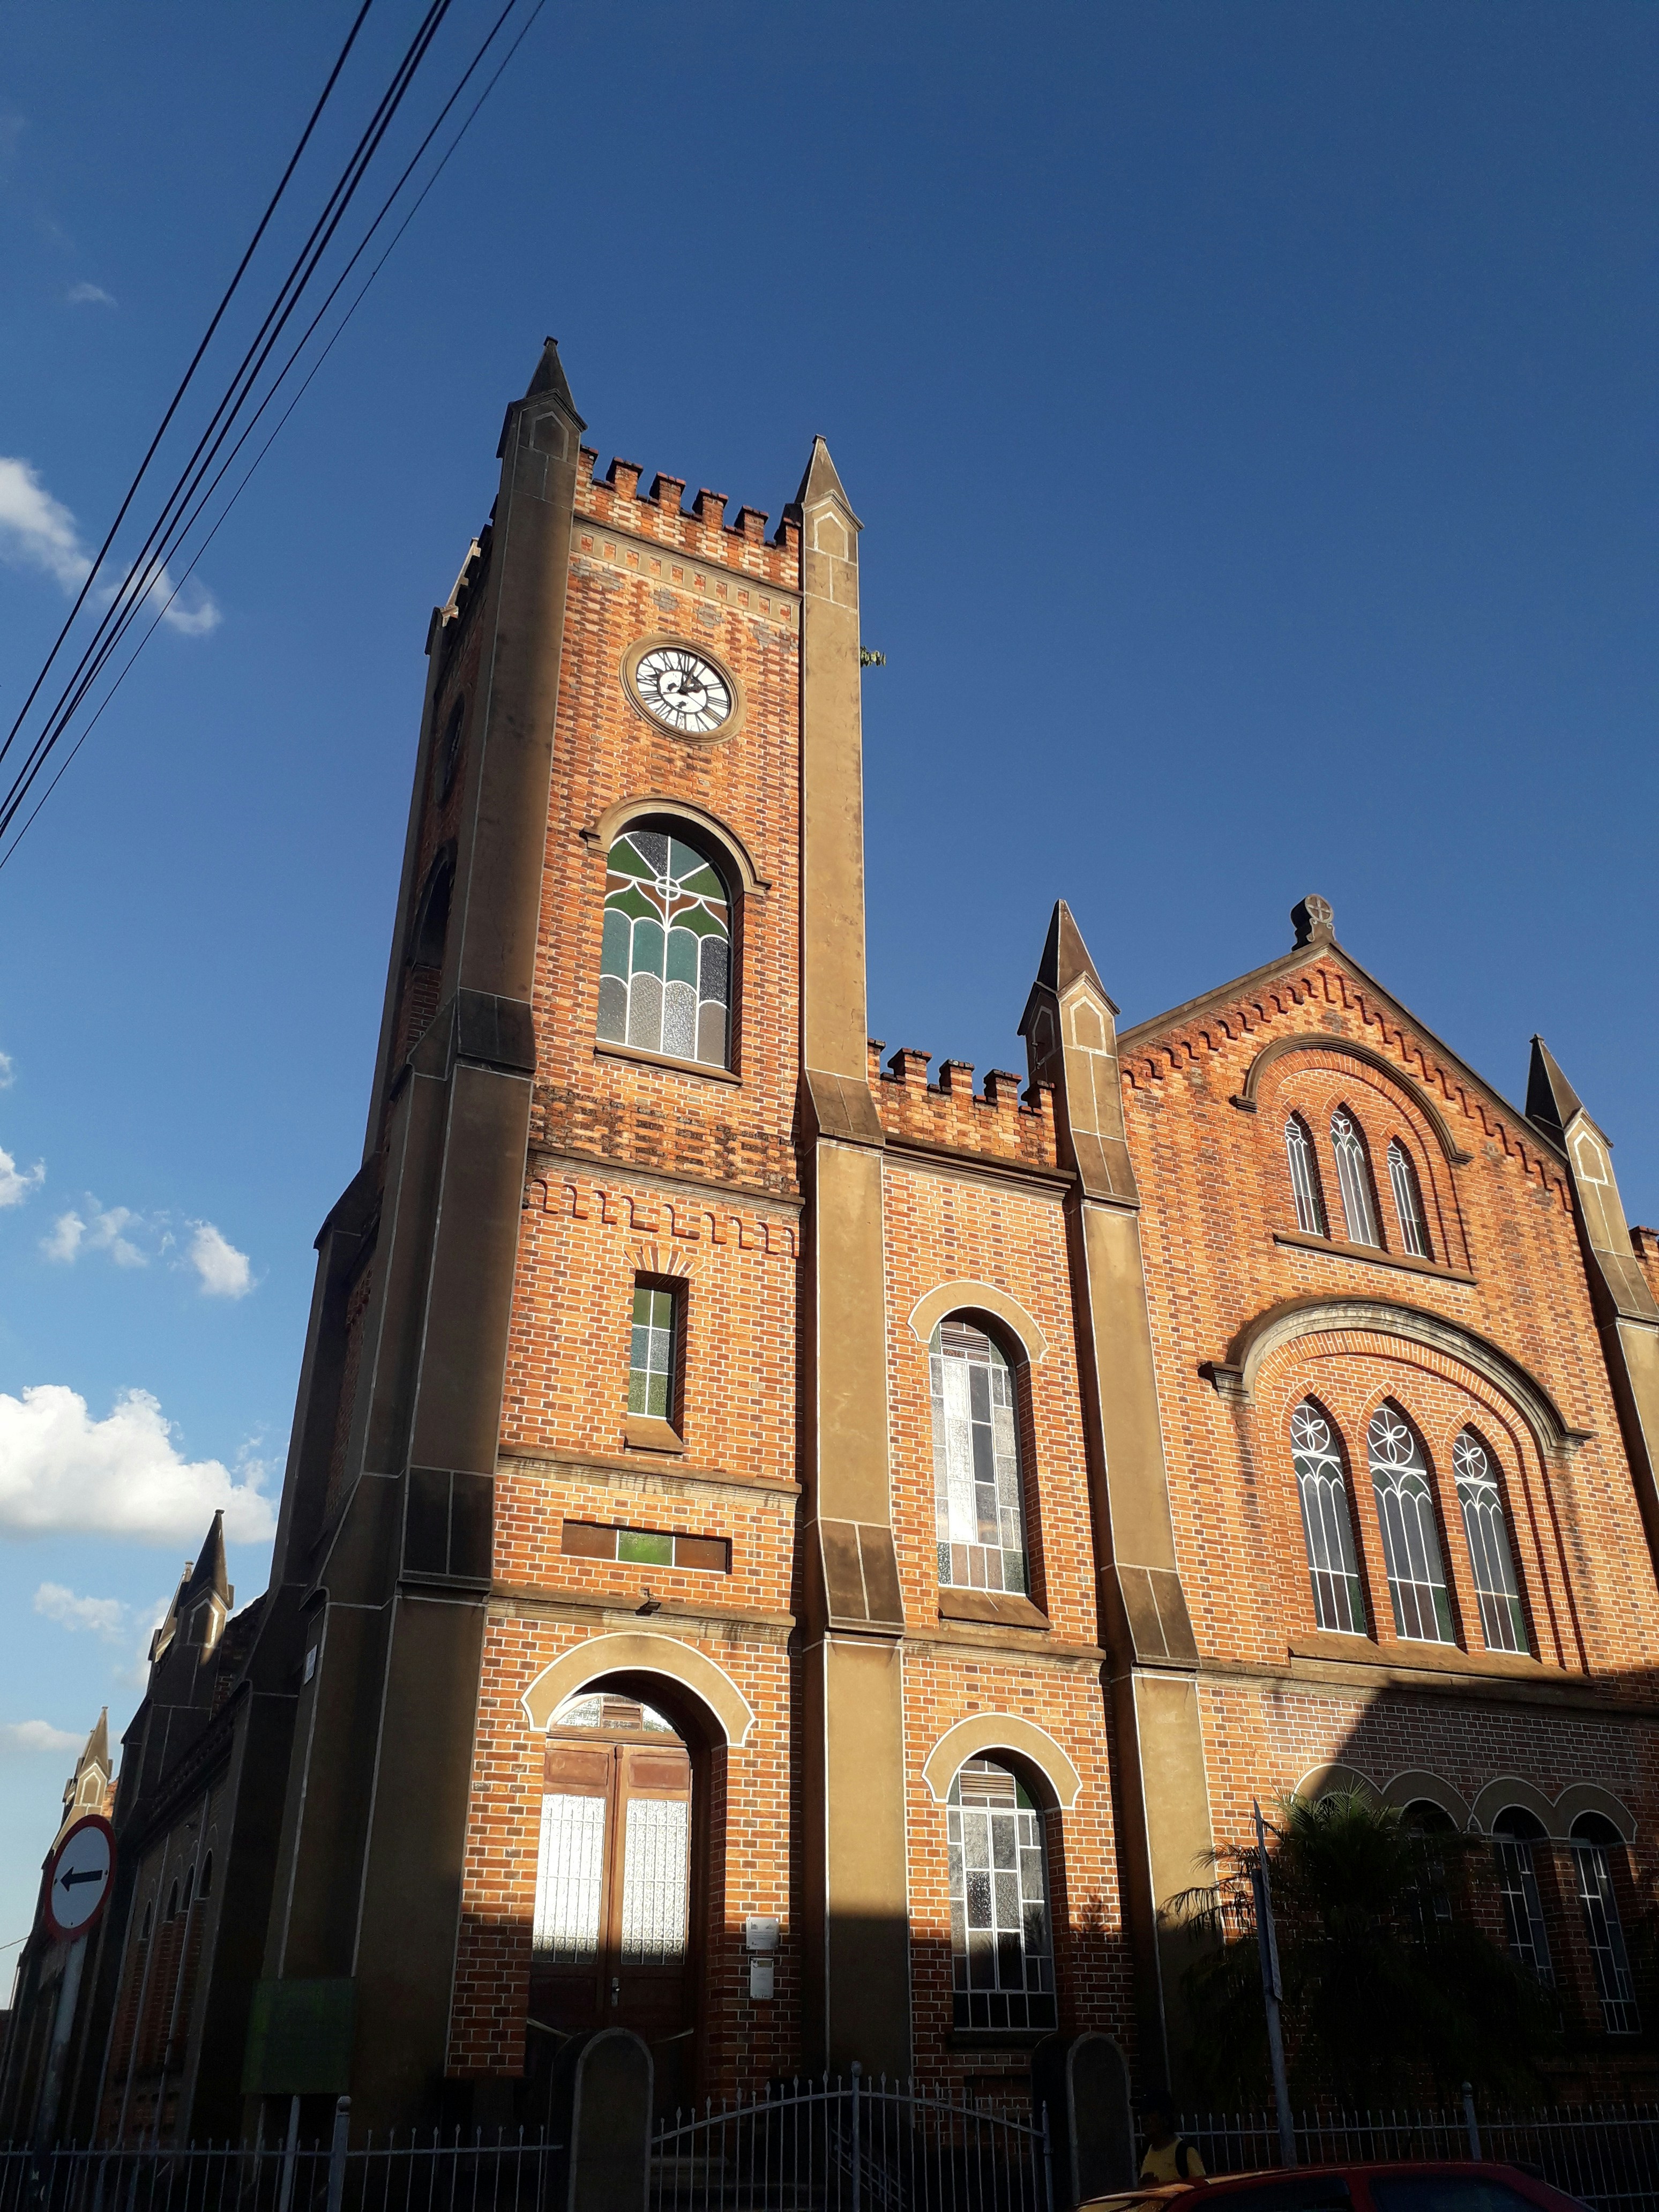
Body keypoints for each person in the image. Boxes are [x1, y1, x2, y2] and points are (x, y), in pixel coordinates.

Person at [1138, 2093, 1206, 2183]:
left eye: (1151, 2113)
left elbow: (1201, 2190)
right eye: (1142, 2113)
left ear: (1166, 2119)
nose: (1144, 2118)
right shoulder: (1145, 2153)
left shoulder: (1185, 2153)